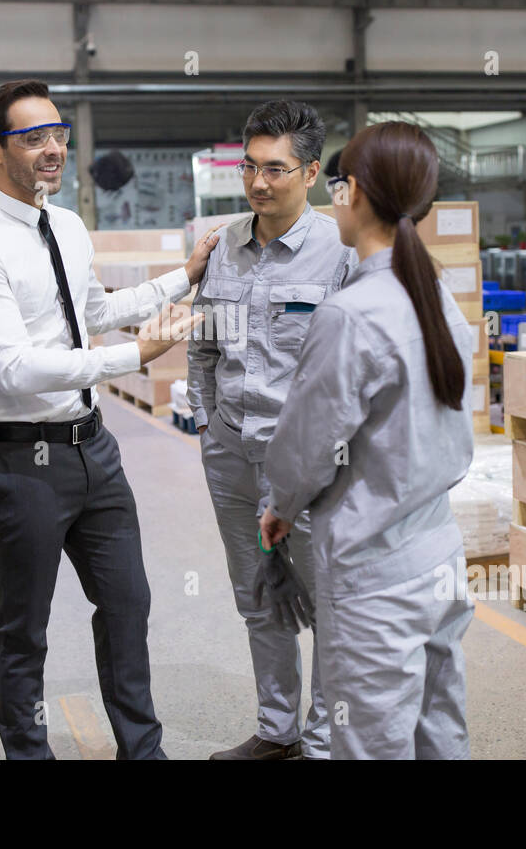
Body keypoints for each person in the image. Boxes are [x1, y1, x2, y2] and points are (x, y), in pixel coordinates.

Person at [0, 79, 220, 760]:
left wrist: (182, 277)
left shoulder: (64, 224)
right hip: (20, 462)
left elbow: (91, 310)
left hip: (93, 450)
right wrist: (135, 357)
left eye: (58, 133)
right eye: (33, 137)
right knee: (23, 628)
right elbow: (15, 369)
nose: (54, 148)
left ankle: (142, 750)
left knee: (127, 603)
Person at [259, 121, 476, 760]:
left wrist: (280, 507)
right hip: (439, 549)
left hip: (375, 569)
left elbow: (307, 446)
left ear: (351, 191)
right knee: (440, 725)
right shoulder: (435, 294)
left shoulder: (351, 314)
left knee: (371, 743)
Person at [186, 100, 355, 761]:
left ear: (310, 172)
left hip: (308, 465)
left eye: (276, 169)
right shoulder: (224, 246)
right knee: (258, 598)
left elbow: (360, 365)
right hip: (231, 454)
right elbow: (202, 347)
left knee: (327, 605)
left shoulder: (341, 250)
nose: (258, 183)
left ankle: (323, 743)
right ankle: (277, 730)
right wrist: (207, 423)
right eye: (250, 167)